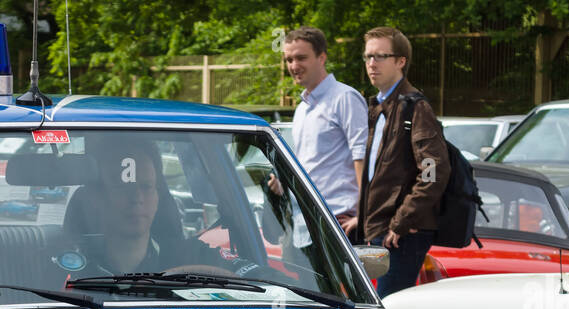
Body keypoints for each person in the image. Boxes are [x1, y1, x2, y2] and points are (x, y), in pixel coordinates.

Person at [50, 139, 242, 280]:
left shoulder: (192, 255)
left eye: (147, 187)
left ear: (159, 198)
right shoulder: (67, 266)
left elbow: (260, 278)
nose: (136, 199)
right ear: (98, 199)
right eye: (122, 187)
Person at [358, 27, 449, 297]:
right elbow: (376, 174)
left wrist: (402, 220)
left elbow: (434, 170)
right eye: (368, 57)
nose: (372, 64)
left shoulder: (415, 107)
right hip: (379, 230)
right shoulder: (377, 107)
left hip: (399, 235)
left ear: (401, 61)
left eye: (380, 56)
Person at [280, 27, 368, 235]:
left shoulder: (345, 98)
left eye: (301, 58)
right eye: (289, 60)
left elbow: (362, 157)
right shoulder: (302, 108)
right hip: (306, 220)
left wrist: (364, 216)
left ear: (322, 58)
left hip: (339, 222)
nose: (294, 65)